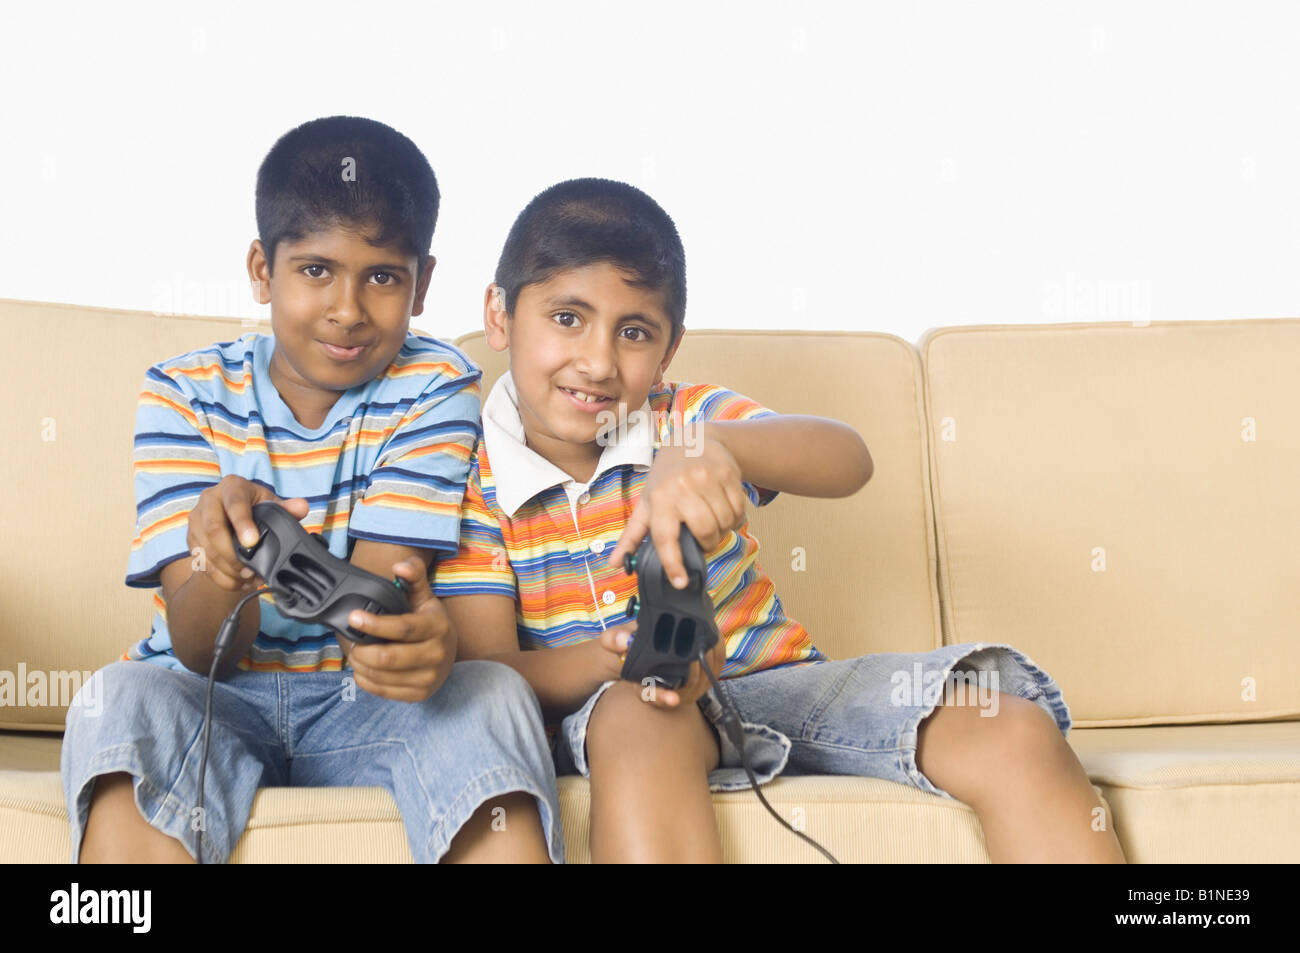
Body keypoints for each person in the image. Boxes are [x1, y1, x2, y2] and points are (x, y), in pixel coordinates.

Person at [433, 177, 1126, 863]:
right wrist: (609, 660)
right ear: (499, 314)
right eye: (566, 318)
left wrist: (716, 449)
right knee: (638, 713)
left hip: (776, 683)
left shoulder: (685, 418)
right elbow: (490, 672)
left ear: (669, 349)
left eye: (634, 331)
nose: (597, 360)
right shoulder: (470, 478)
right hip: (622, 711)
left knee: (1007, 726)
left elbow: (846, 457)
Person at [61, 116, 563, 864]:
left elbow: (376, 598)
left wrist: (423, 647)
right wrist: (221, 569)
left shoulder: (436, 385)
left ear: (422, 284)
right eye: (316, 270)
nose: (348, 309)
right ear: (263, 269)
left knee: (488, 690)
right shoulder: (182, 393)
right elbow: (205, 652)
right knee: (119, 696)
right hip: (213, 699)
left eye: (383, 277)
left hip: (365, 704)